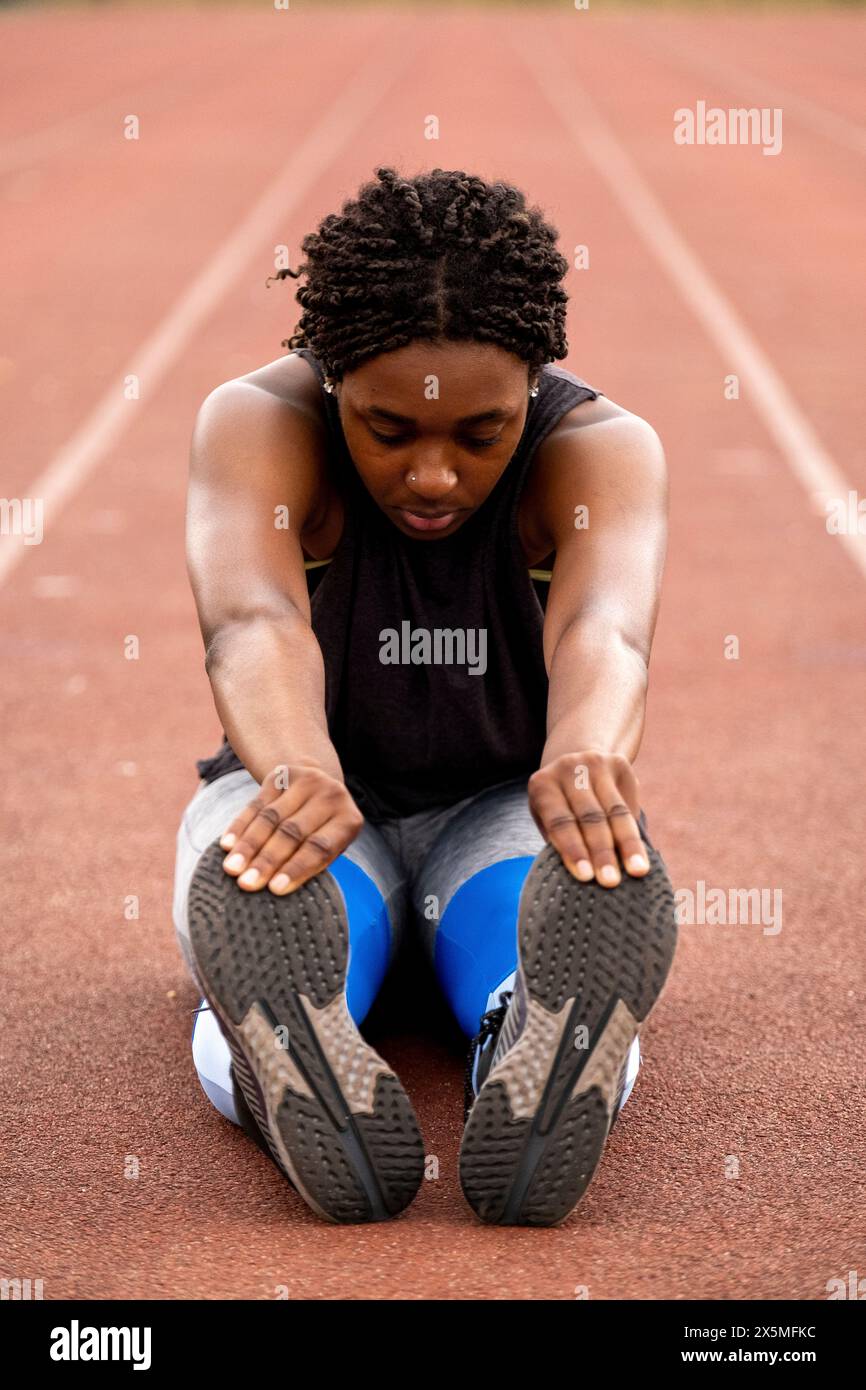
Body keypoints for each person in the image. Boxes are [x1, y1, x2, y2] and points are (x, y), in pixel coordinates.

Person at [171, 167, 677, 1227]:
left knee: (550, 905)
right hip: (307, 791)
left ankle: (542, 1043)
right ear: (330, 377)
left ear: (536, 383)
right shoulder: (257, 421)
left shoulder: (598, 452)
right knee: (268, 887)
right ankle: (294, 1056)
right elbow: (250, 619)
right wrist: (292, 762)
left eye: (479, 434)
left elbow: (605, 626)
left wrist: (581, 751)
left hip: (503, 797)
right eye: (387, 431)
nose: (433, 475)